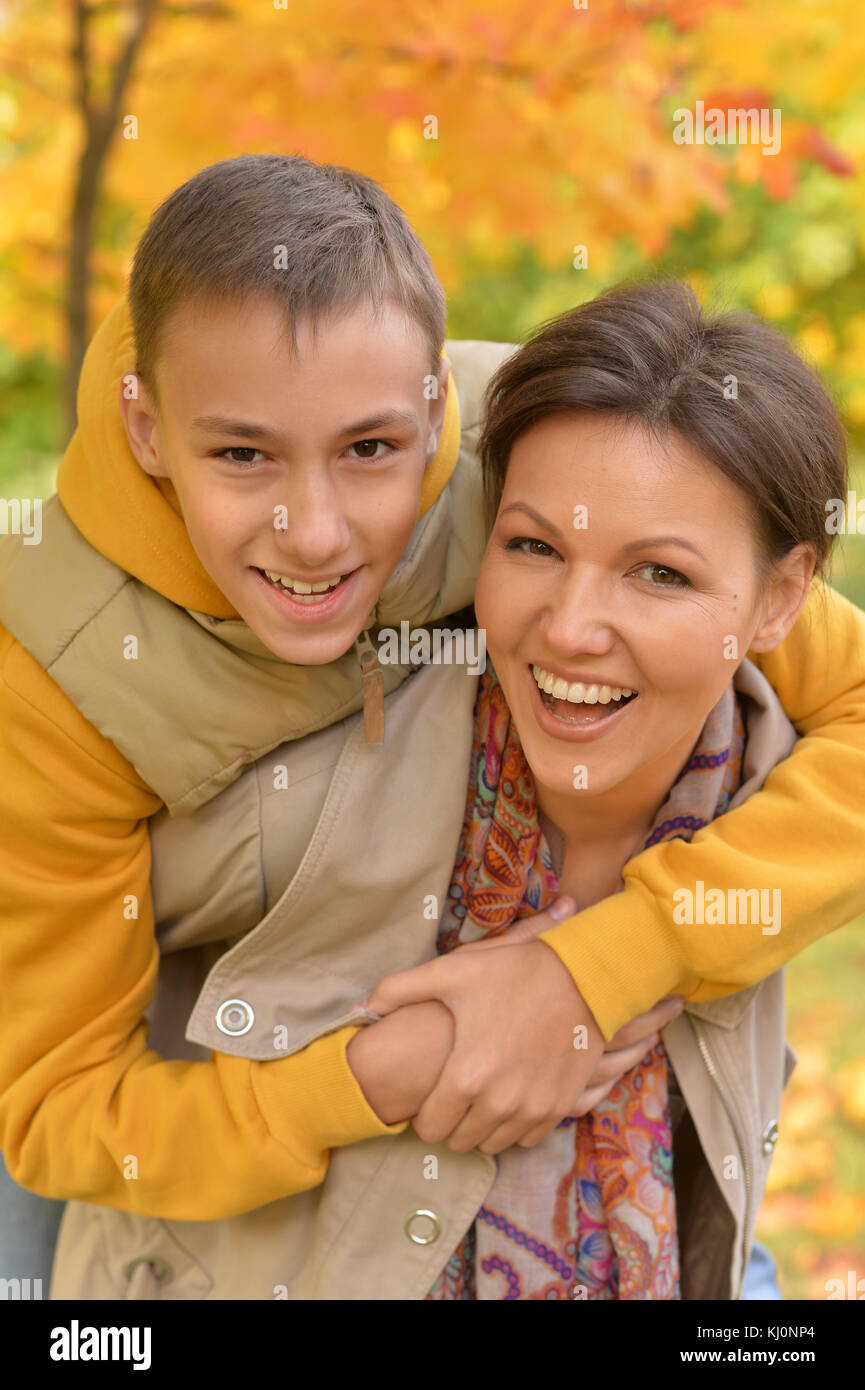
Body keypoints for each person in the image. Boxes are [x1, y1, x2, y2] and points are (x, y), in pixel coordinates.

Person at [0, 156, 863, 1300]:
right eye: (242, 453)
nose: (313, 534)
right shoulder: (60, 680)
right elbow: (60, 1109)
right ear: (148, 428)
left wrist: (590, 969)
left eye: (369, 451)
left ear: (430, 418)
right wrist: (371, 1074)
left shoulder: (546, 463)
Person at [357, 279, 850, 1297]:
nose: (572, 627)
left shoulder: (767, 784)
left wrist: (597, 966)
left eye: (658, 573)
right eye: (533, 546)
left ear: (781, 598)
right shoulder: (338, 755)